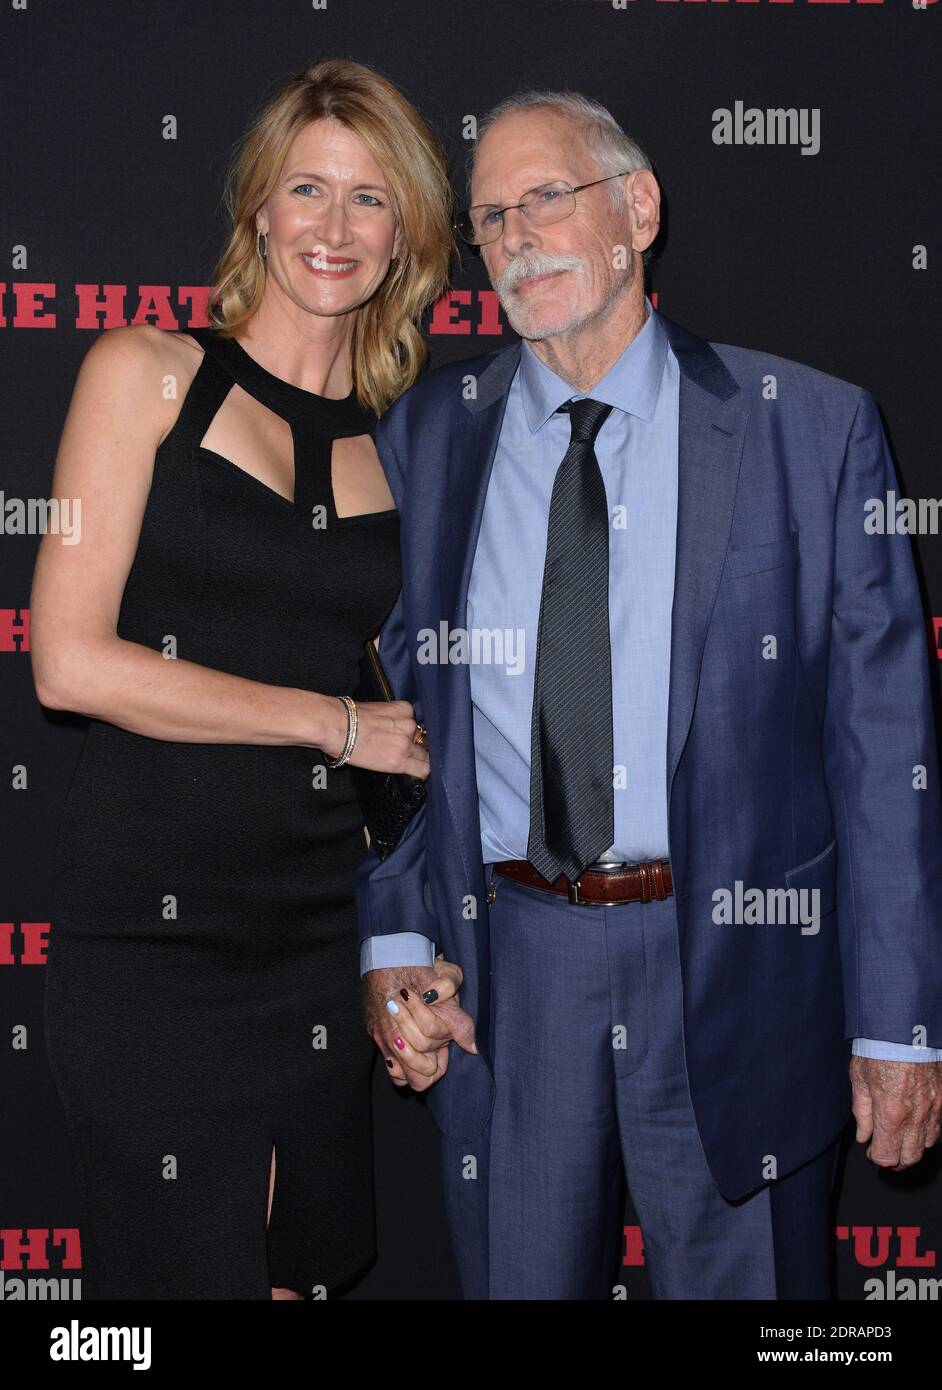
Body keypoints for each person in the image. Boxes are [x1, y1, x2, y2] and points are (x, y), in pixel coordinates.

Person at [355, 89, 942, 1299]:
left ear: (638, 207)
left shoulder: (812, 432)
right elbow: (395, 718)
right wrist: (400, 932)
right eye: (490, 219)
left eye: (546, 199)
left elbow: (885, 752)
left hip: (738, 971)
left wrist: (896, 1022)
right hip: (509, 967)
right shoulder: (428, 437)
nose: (516, 237)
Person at [29, 58, 461, 1300]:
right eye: (307, 190)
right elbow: (67, 662)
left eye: (370, 199)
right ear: (258, 211)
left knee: (293, 1275)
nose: (335, 227)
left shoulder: (414, 450)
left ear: (407, 236)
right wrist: (334, 725)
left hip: (322, 937)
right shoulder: (145, 374)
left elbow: (431, 731)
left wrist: (419, 947)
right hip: (154, 940)